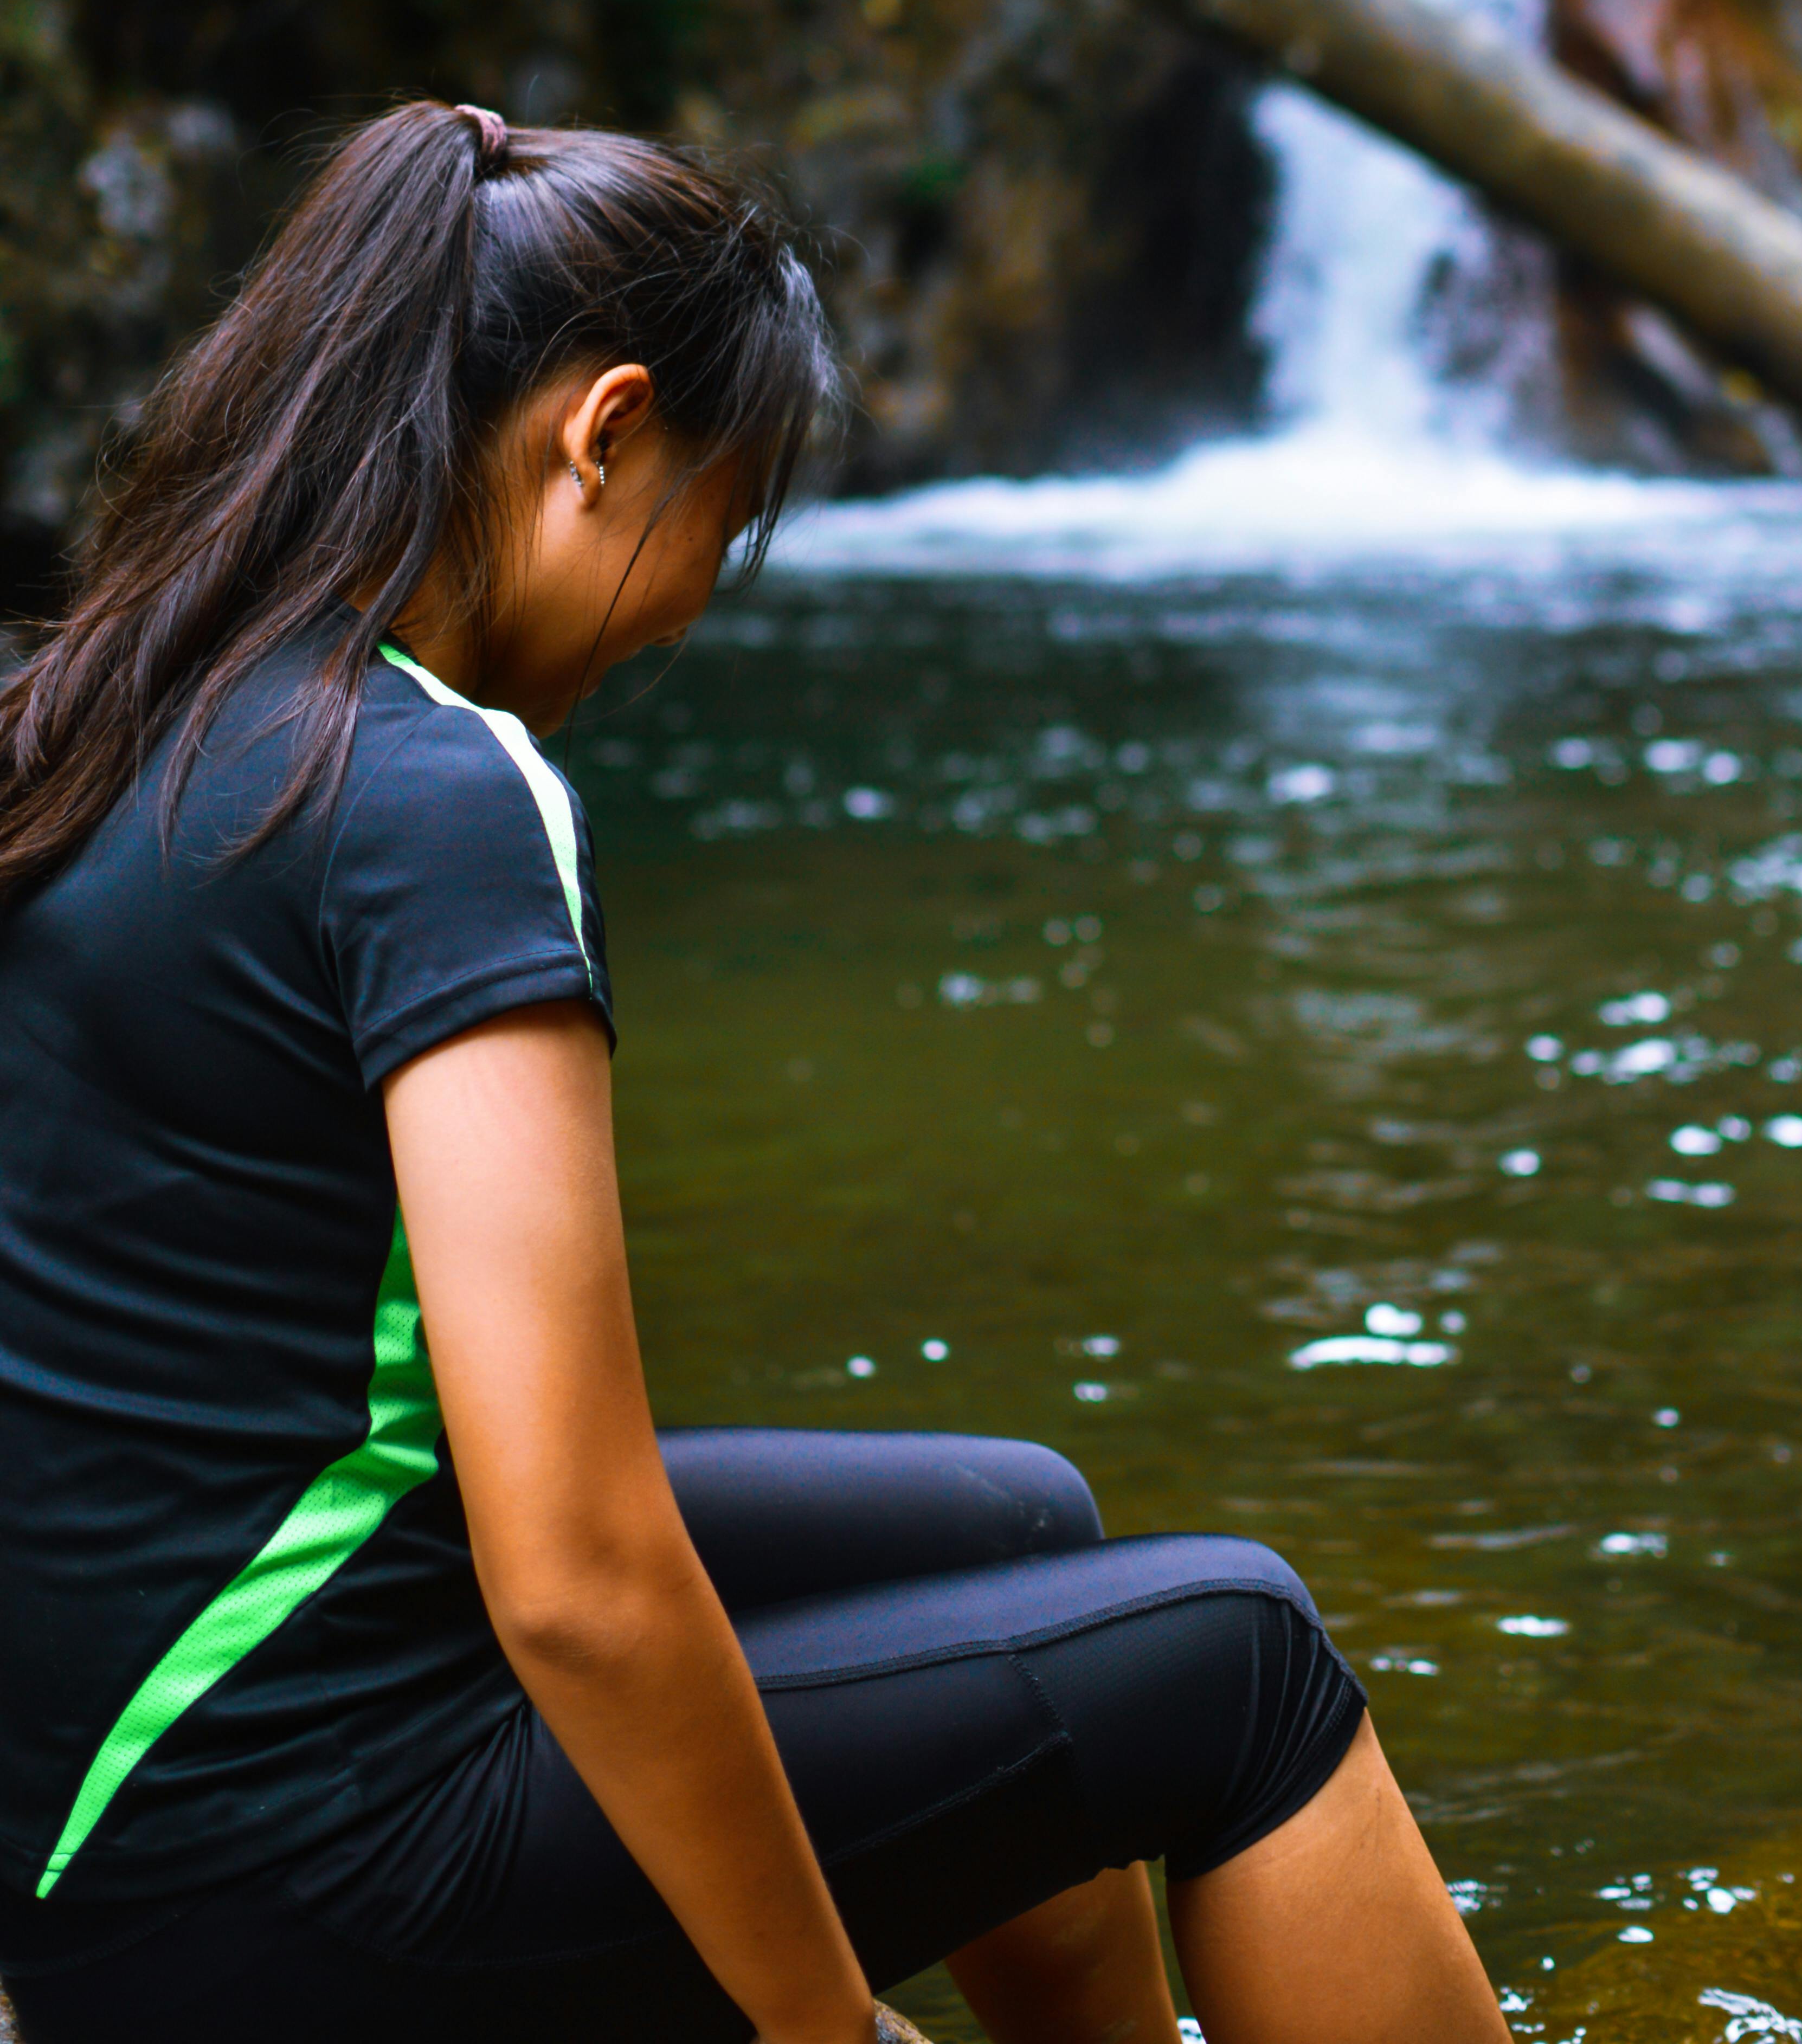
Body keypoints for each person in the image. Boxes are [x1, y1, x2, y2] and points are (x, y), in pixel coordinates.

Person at [0, 101, 1511, 2044]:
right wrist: (818, 2022)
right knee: (1244, 1662)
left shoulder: (99, 715)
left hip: (103, 1839)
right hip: (302, 1878)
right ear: (604, 434)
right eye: (719, 521)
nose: (694, 604)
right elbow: (573, 1575)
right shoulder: (430, 796)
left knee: (1023, 1521)